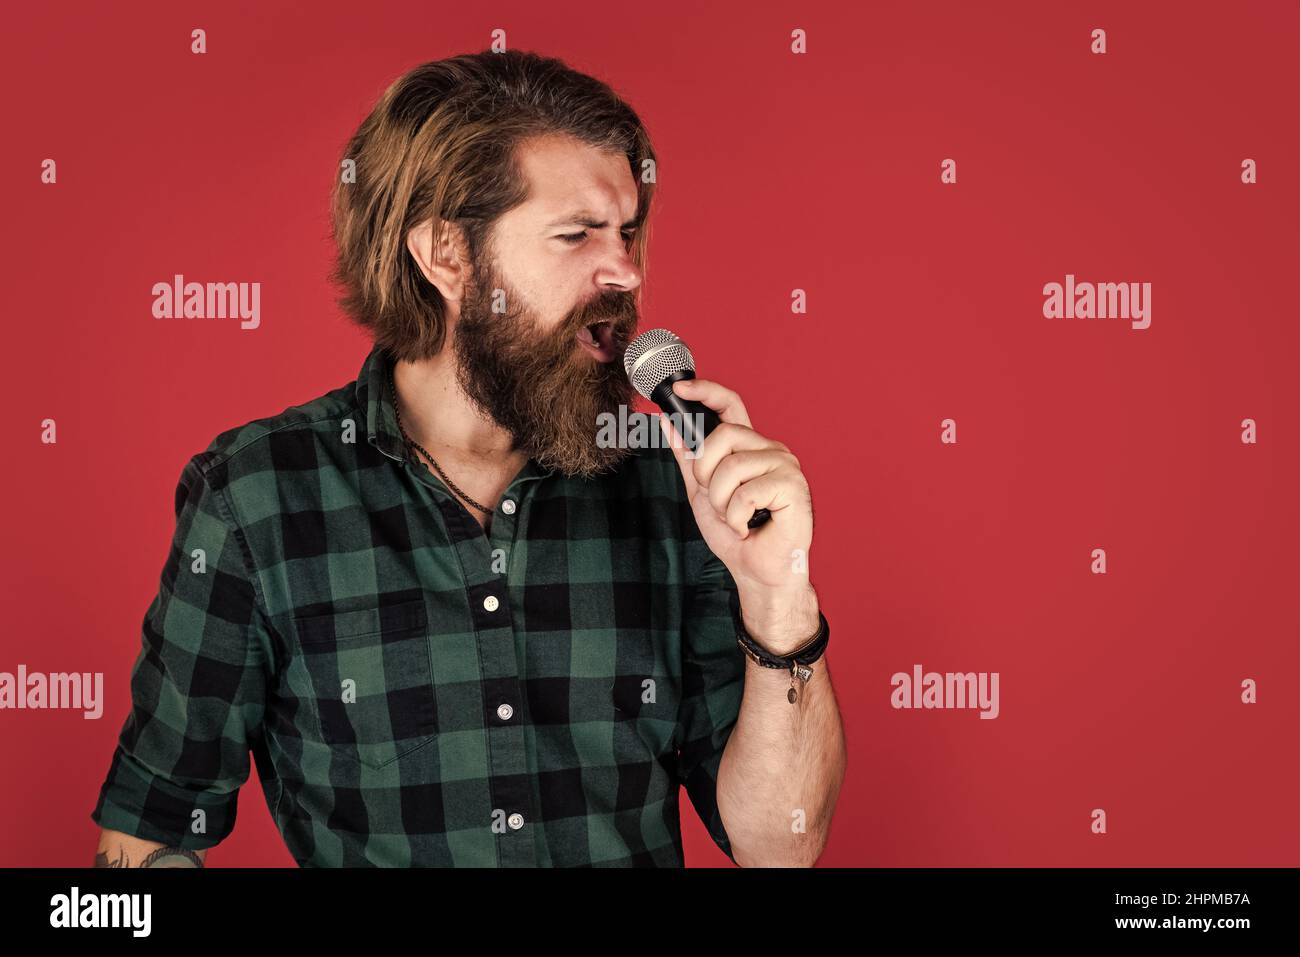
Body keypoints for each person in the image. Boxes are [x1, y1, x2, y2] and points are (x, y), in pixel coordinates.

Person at [91, 49, 845, 867]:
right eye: (577, 234)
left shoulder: (675, 487)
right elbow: (150, 833)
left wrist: (779, 600)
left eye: (627, 231)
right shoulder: (255, 500)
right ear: (445, 255)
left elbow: (782, 847)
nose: (625, 270)